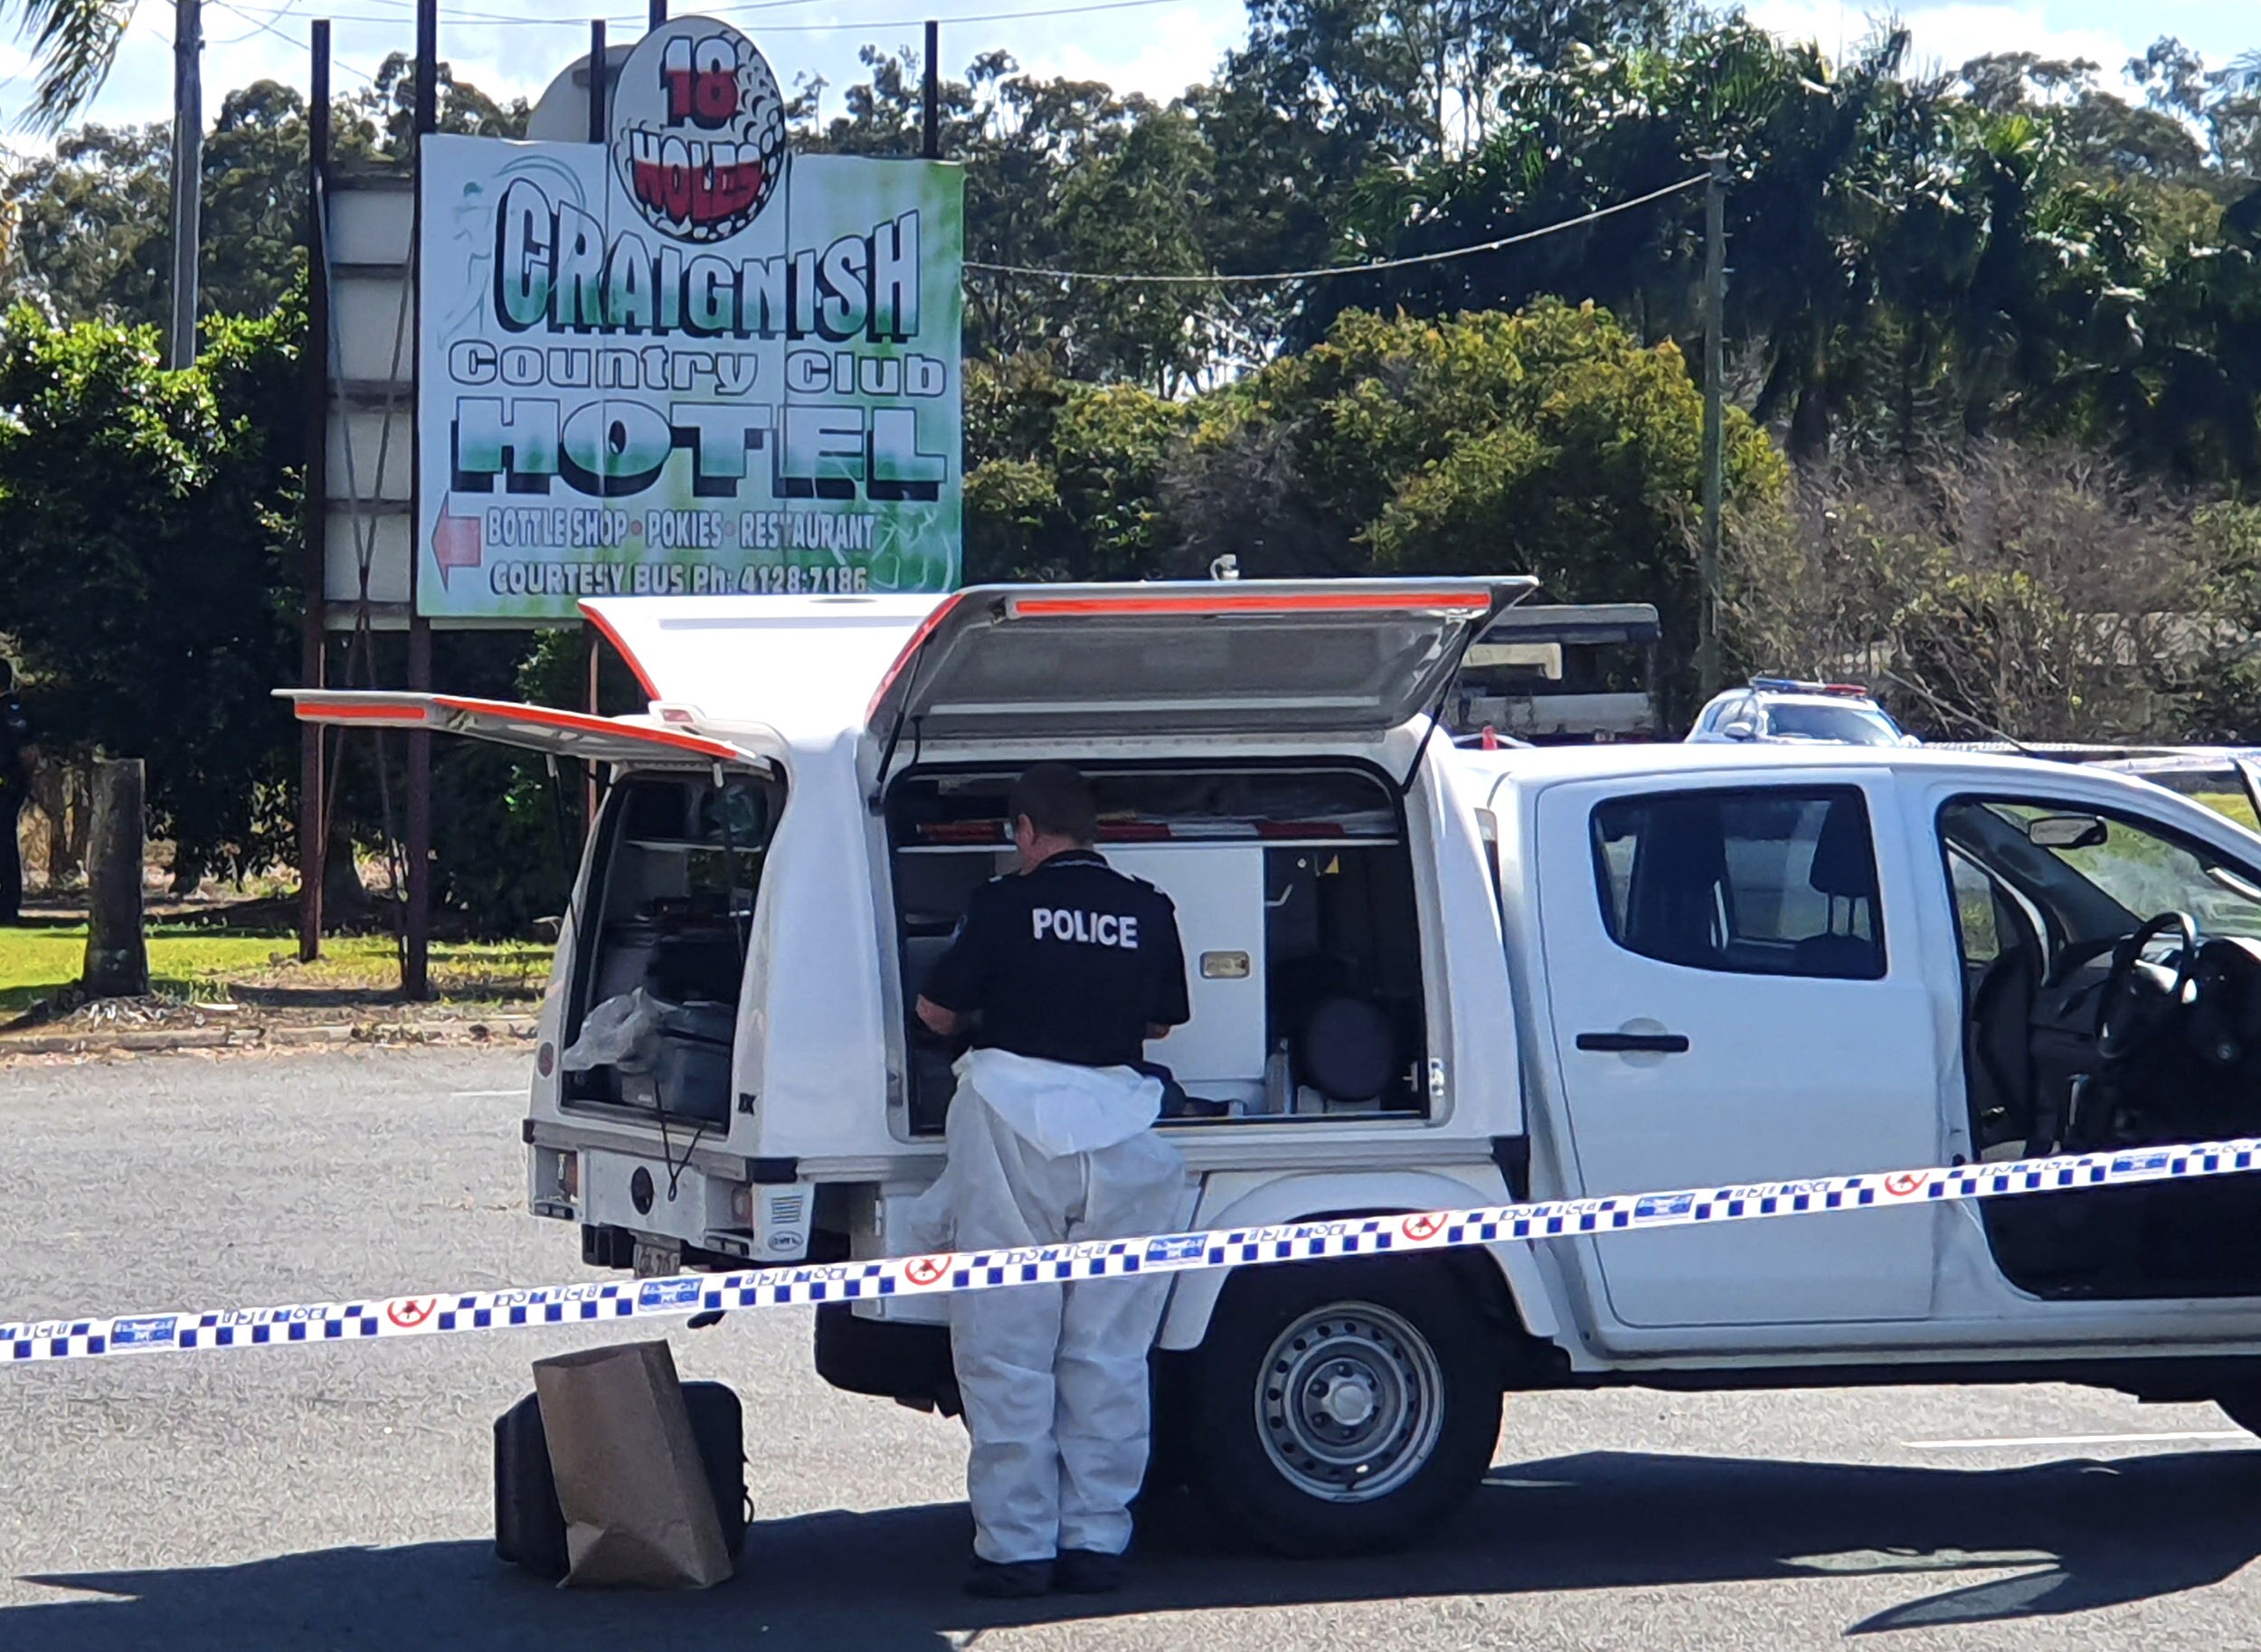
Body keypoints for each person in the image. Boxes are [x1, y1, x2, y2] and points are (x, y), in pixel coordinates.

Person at [908, 761, 1191, 1600]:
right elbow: (1164, 1020)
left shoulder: (1001, 904)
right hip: (1125, 1128)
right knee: (1108, 1348)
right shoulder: (1149, 906)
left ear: (1026, 830)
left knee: (1008, 1347)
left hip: (1009, 1121)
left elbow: (937, 1014)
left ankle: (1016, 1549)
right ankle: (1097, 1542)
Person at [0, 661, 33, 926]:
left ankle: (8, 905)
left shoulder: (11, 709)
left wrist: (20, 782)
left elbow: (27, 752)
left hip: (6, 783)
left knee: (5, 845)